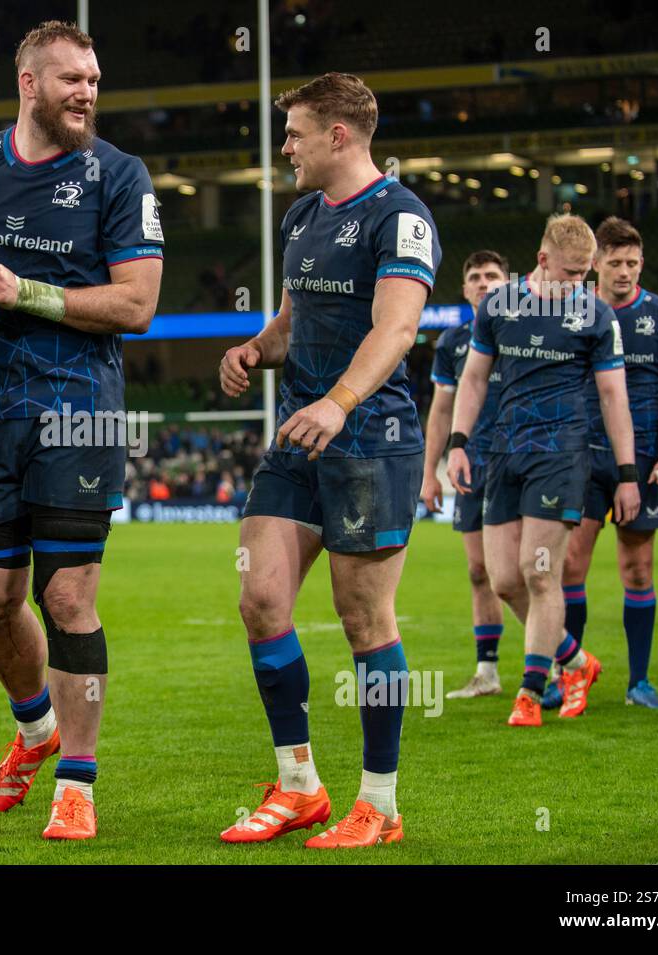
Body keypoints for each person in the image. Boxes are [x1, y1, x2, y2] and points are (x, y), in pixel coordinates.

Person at [0, 21, 163, 840]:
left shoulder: (120, 176)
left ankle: (79, 780)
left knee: (66, 594)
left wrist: (24, 290)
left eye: (94, 80)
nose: (87, 93)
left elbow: (136, 304)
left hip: (79, 413)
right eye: (71, 79)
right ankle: (36, 730)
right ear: (28, 84)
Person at [217, 72, 439, 848]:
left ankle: (379, 801)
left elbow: (398, 328)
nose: (286, 147)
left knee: (363, 617)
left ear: (339, 135)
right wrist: (255, 349)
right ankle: (300, 784)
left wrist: (338, 401)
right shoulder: (306, 214)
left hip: (369, 440)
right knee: (261, 599)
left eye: (296, 133)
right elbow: (291, 319)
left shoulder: (401, 216)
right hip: (298, 441)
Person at [448, 214, 638, 727]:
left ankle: (531, 692)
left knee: (539, 572)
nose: (580, 284)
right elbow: (473, 380)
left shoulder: (596, 316)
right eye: (571, 273)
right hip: (504, 452)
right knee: (503, 579)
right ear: (541, 260)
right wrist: (458, 443)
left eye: (585, 274)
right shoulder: (499, 306)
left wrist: (626, 472)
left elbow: (613, 394)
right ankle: (575, 661)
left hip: (562, 453)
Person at [554, 218, 658, 710]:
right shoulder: (574, 314)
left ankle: (639, 682)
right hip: (583, 457)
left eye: (633, 263)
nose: (625, 272)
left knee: (637, 568)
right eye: (615, 263)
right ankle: (568, 674)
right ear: (595, 265)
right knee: (570, 564)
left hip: (642, 461)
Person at [421, 250, 523, 698]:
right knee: (479, 572)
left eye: (493, 276)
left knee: (525, 573)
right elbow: (441, 409)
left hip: (522, 463)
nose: (484, 283)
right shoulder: (452, 343)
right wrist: (430, 473)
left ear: (509, 285)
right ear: (464, 290)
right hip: (470, 465)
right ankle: (488, 672)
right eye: (476, 277)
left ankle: (559, 661)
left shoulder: (528, 333)